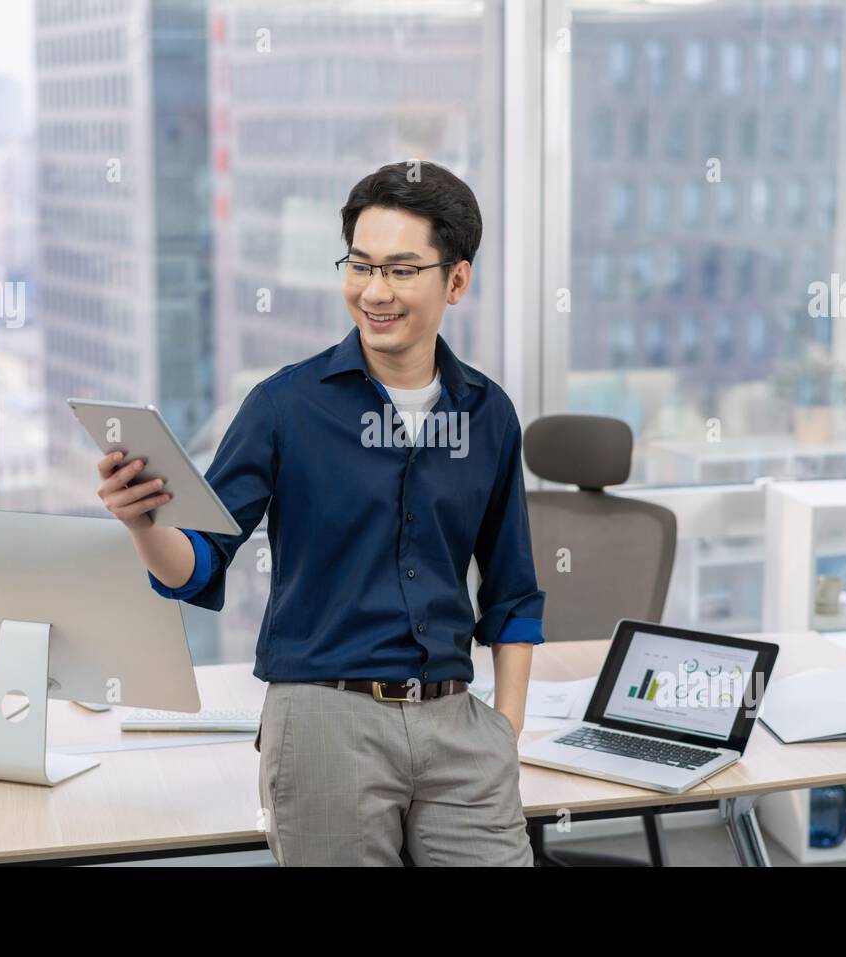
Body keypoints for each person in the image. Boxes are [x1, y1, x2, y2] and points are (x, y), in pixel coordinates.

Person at [96, 160, 544, 866]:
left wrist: (505, 727)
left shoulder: (488, 414)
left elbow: (513, 590)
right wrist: (144, 524)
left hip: (459, 727)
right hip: (325, 722)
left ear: (456, 280)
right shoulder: (284, 406)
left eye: (401, 270)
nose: (373, 291)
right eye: (359, 265)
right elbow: (199, 563)